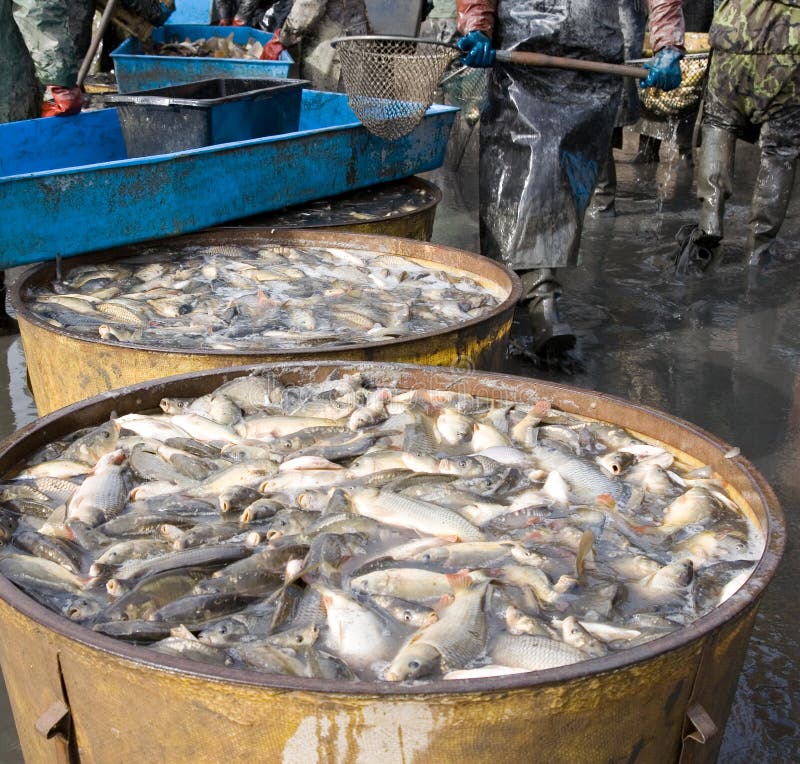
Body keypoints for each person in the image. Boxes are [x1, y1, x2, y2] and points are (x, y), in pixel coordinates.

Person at [456, 0, 685, 356]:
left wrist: (668, 43)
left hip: (591, 61)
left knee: (559, 177)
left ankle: (535, 294)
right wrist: (476, 25)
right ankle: (530, 294)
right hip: (520, 53)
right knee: (516, 172)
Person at [676, 0, 800, 274]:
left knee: (718, 123)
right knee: (779, 151)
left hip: (732, 34)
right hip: (788, 44)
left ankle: (709, 222)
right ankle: (759, 249)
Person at [278, 0, 369, 92]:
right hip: (358, 35)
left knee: (322, 97)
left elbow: (307, 6)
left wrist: (285, 38)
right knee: (349, 97)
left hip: (330, 42)